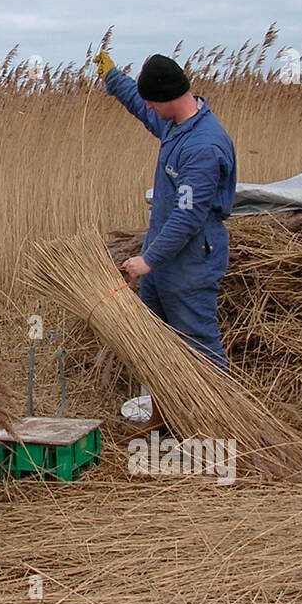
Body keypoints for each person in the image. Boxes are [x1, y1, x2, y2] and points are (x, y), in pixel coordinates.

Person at [96, 49, 236, 371]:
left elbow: (188, 217)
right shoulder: (175, 124)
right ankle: (168, 413)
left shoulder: (203, 147)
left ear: (169, 97)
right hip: (163, 254)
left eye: (153, 101)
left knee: (198, 344)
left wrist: (148, 260)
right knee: (158, 340)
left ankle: (215, 413)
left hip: (191, 260)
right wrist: (113, 77)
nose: (148, 107)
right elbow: (139, 101)